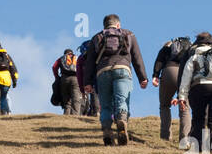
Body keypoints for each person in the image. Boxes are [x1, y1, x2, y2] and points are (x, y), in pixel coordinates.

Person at [82, 14, 148, 145]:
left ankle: (107, 128)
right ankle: (122, 121)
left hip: (103, 72)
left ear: (105, 25)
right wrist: (143, 77)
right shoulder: (129, 34)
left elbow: (89, 62)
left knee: (105, 105)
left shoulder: (97, 37)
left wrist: (87, 82)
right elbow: (137, 57)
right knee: (121, 99)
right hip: (122, 69)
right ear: (118, 25)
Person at [151, 37, 193, 142]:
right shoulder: (190, 49)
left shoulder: (167, 47)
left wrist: (155, 75)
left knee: (164, 106)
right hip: (185, 74)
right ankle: (185, 138)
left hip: (169, 72)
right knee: (185, 107)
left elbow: (159, 60)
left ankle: (165, 137)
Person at [51, 49, 81, 115]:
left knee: (66, 99)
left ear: (65, 53)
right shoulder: (77, 58)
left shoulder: (61, 58)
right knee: (76, 98)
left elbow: (54, 67)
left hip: (64, 79)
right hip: (75, 79)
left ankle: (66, 115)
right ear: (72, 53)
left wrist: (57, 77)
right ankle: (75, 115)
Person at [76, 40, 100, 118]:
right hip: (102, 75)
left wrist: (82, 90)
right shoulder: (99, 53)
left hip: (90, 79)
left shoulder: (80, 58)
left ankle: (96, 112)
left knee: (94, 93)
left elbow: (79, 75)